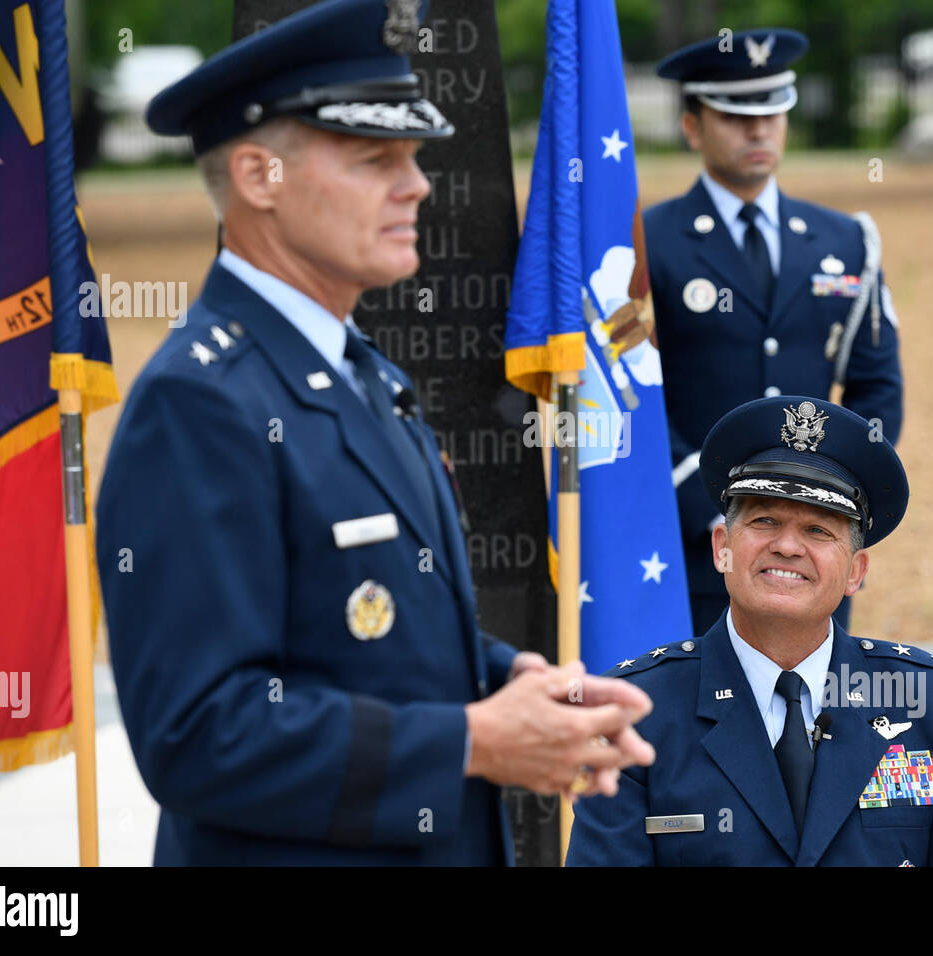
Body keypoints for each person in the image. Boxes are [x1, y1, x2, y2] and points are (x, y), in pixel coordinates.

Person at [94, 0, 653, 867]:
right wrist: (471, 741)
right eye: (373, 158)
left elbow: (378, 627)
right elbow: (197, 733)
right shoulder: (199, 405)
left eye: (416, 156)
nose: (418, 183)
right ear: (257, 177)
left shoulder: (364, 371)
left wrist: (513, 682)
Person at [566, 396, 933, 866]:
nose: (787, 546)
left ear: (856, 572)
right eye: (765, 521)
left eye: (819, 531)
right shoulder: (635, 713)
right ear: (722, 548)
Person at [645, 29, 904, 635]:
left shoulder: (845, 241)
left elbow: (877, 387)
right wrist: (709, 504)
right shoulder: (646, 243)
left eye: (771, 113)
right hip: (692, 536)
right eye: (735, 116)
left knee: (810, 714)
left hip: (813, 545)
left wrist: (828, 499)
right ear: (692, 126)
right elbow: (629, 392)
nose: (758, 131)